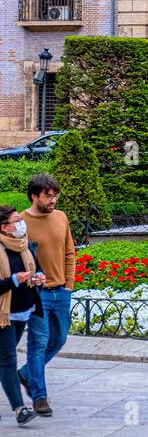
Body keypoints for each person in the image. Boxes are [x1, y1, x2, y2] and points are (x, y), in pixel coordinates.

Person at [19, 173, 75, 417]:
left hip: (61, 291)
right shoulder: (21, 222)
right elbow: (15, 258)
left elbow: (69, 252)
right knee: (38, 343)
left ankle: (24, 374)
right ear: (34, 196)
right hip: (37, 293)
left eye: (55, 195)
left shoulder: (61, 217)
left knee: (59, 339)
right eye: (48, 196)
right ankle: (39, 397)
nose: (53, 200)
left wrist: (69, 285)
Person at [0, 204, 45, 426]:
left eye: (20, 220)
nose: (21, 224)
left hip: (22, 311)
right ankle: (20, 409)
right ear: (4, 228)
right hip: (3, 314)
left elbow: (37, 268)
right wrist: (13, 281)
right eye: (16, 221)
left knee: (3, 359)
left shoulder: (26, 246)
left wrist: (39, 278)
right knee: (8, 360)